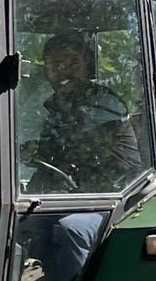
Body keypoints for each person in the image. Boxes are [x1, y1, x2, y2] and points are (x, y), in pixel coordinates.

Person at [25, 29, 142, 193]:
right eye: (56, 66)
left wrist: (37, 151)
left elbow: (77, 142)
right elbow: (49, 160)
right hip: (78, 192)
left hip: (116, 196)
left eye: (73, 63)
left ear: (87, 66)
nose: (64, 71)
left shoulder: (103, 102)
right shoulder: (58, 109)